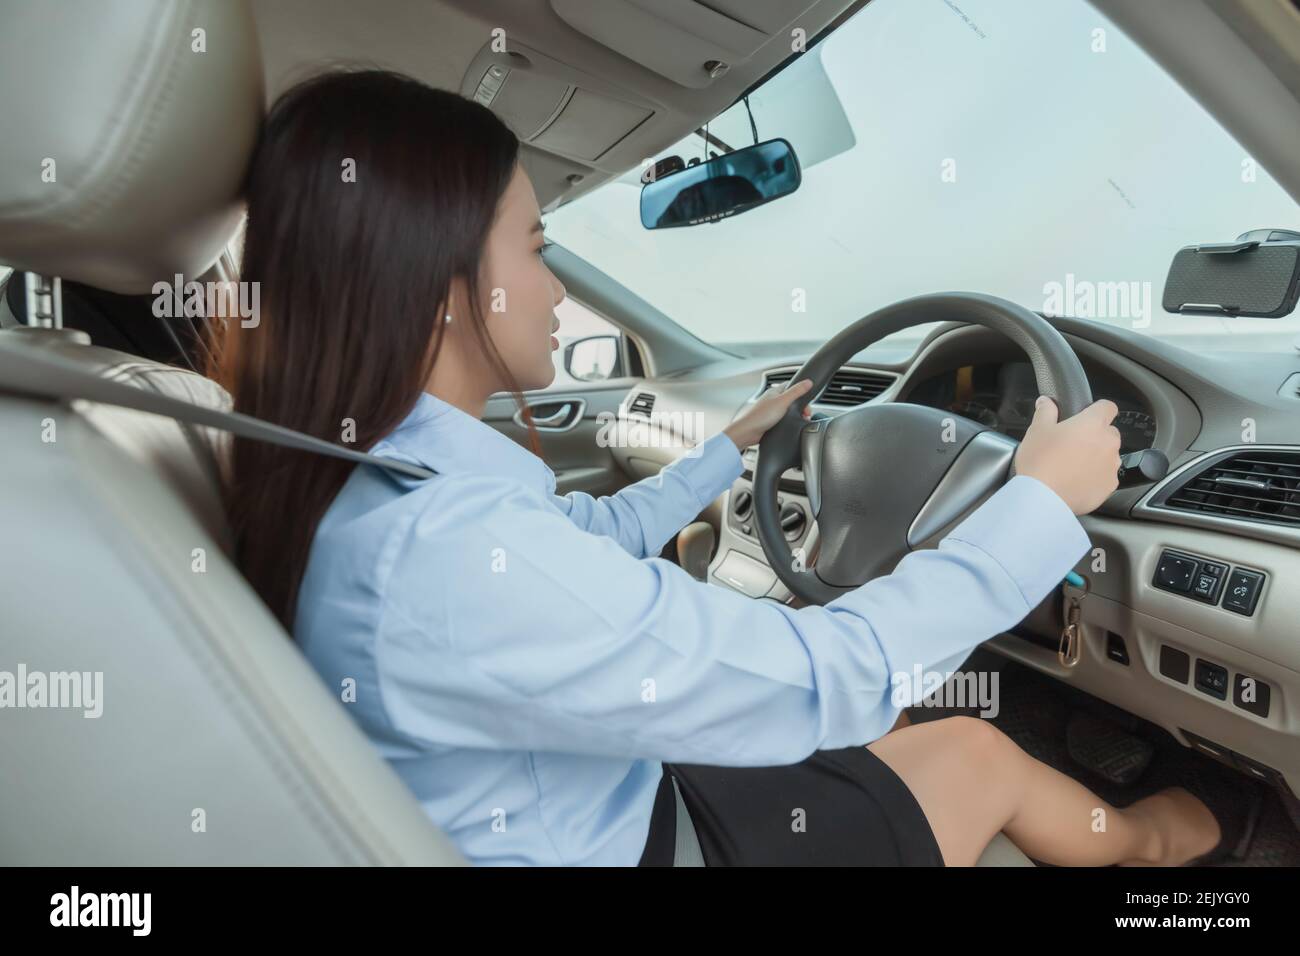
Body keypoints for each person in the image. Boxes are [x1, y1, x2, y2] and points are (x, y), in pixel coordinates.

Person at [205, 68, 1223, 866]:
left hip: (599, 801)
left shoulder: (375, 486)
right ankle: (1153, 844)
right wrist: (1039, 499)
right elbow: (842, 669)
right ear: (440, 286)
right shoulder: (448, 549)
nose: (553, 284)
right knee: (975, 748)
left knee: (901, 715)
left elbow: (578, 546)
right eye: (534, 243)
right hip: (647, 840)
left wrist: (727, 450)